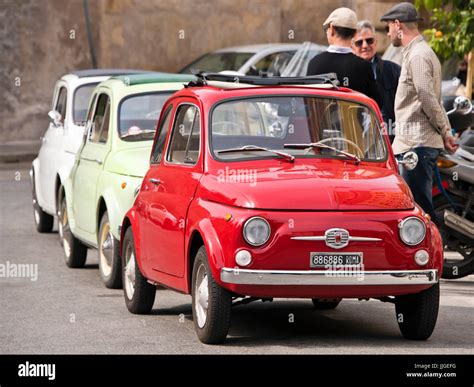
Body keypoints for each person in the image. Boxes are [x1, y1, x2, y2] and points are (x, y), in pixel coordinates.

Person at [380, 2, 458, 224]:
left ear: (398, 24)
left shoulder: (418, 55)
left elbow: (426, 97)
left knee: (418, 211)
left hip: (417, 144)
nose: (387, 33)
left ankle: (431, 253)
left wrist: (445, 131)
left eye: (388, 27)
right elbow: (432, 97)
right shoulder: (417, 52)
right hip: (414, 144)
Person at [307, 7, 382, 107]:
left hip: (320, 122)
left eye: (326, 29)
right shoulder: (364, 66)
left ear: (332, 29)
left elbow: (307, 103)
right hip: (353, 122)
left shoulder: (314, 63)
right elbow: (376, 104)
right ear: (355, 34)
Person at [352, 20, 401, 141]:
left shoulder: (393, 70)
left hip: (388, 139)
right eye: (359, 42)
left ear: (376, 41)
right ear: (352, 46)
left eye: (369, 40)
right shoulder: (347, 72)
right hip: (355, 140)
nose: (365, 45)